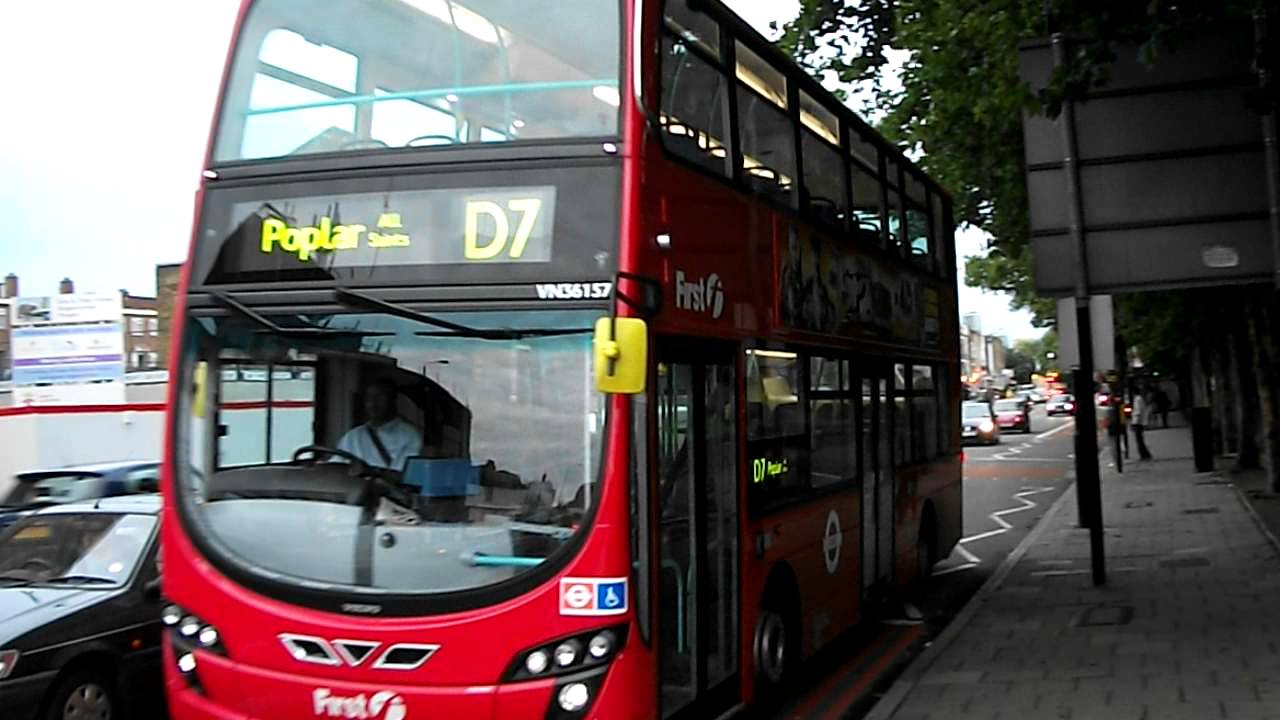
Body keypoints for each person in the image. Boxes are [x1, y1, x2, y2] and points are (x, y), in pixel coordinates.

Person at [336, 378, 422, 473]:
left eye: (380, 396)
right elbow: (337, 464)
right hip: (353, 486)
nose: (373, 402)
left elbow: (403, 475)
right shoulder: (353, 436)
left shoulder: (410, 435)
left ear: (393, 399)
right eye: (369, 397)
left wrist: (368, 472)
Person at [1133, 387, 1153, 461]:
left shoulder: (1137, 399)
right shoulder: (1140, 398)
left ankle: (1144, 455)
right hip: (1140, 422)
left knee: (1139, 440)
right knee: (1140, 439)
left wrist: (1135, 422)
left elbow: (1138, 411)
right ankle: (1145, 454)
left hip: (1138, 422)